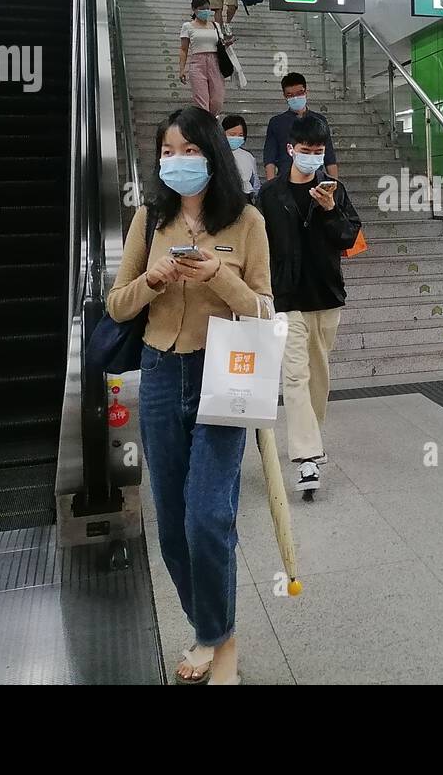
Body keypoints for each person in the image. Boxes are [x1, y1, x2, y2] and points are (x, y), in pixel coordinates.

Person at [106, 106, 272, 685]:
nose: (177, 162)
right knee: (172, 522)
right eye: (168, 152)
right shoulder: (149, 218)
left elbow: (261, 307)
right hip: (157, 372)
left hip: (226, 369)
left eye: (191, 151)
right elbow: (116, 304)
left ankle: (217, 639)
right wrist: (151, 282)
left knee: (207, 514)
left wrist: (214, 277)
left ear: (214, 155)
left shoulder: (247, 220)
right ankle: (210, 628)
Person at [257, 114, 362, 494]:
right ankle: (306, 457)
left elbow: (348, 238)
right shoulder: (269, 195)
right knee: (296, 376)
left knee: (319, 375)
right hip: (285, 299)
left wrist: (330, 208)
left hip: (326, 295)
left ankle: (311, 438)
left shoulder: (335, 189)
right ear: (290, 150)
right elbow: (257, 244)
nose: (313, 158)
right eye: (306, 151)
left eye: (319, 152)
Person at [263, 73, 338, 182]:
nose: (295, 97)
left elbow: (329, 156)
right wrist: (271, 186)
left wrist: (334, 186)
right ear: (284, 96)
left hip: (315, 180)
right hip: (286, 181)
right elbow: (269, 157)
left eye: (299, 93)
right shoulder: (277, 122)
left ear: (306, 91)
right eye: (290, 95)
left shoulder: (320, 120)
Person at [178, 0, 224, 115]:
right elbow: (183, 49)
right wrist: (182, 69)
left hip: (215, 62)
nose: (206, 11)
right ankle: (205, 128)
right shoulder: (187, 26)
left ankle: (211, 123)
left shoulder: (216, 26)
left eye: (208, 8)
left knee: (217, 100)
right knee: (202, 102)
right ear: (194, 9)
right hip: (197, 64)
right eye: (202, 8)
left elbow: (221, 44)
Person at [222, 113, 259, 198]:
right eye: (232, 134)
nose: (236, 137)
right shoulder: (216, 154)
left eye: (240, 135)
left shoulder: (248, 156)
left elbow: (255, 181)